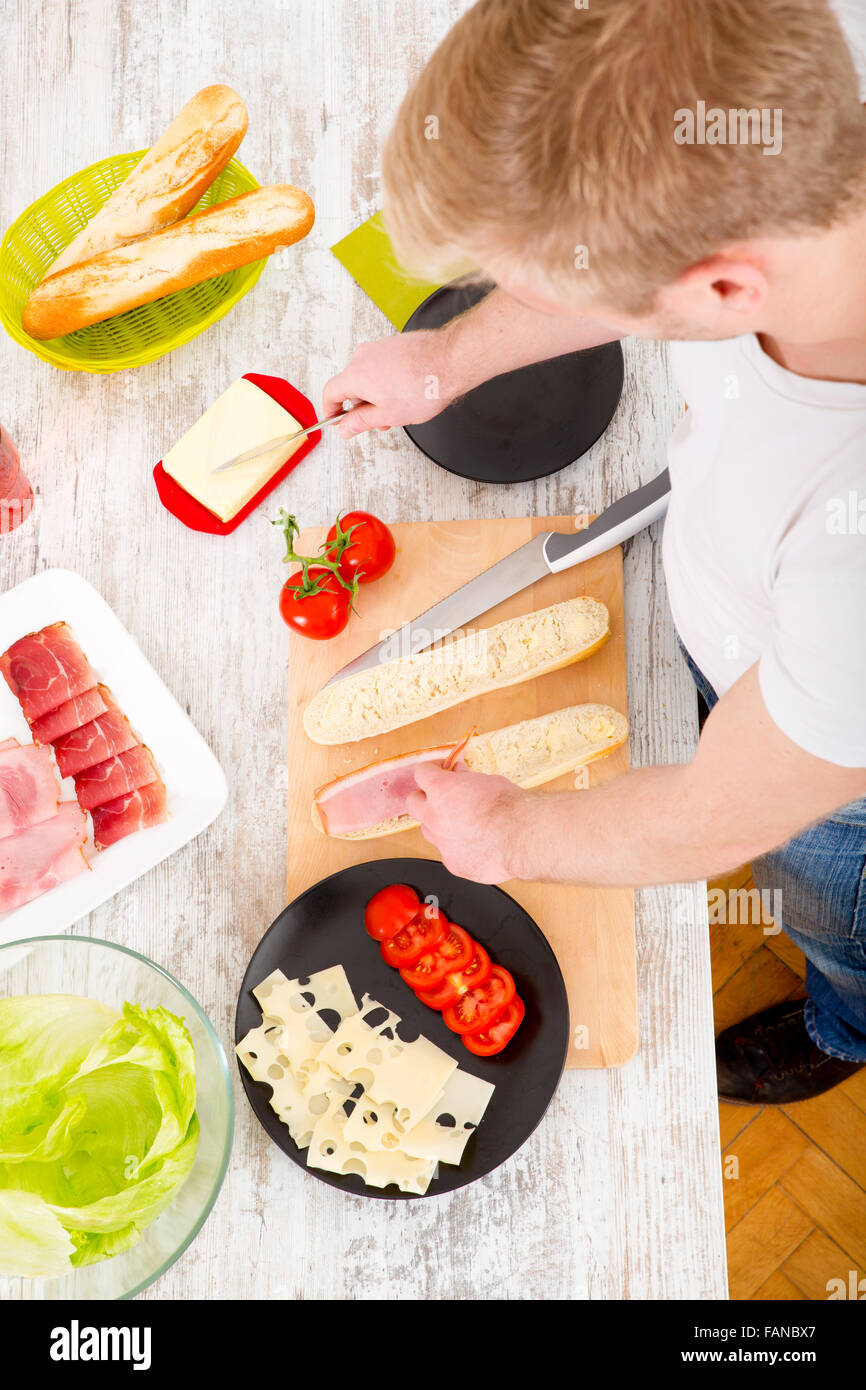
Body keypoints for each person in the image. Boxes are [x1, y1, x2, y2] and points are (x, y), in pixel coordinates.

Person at [322, 0, 866, 1104]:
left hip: (832, 788)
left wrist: (513, 832)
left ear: (722, 288)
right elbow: (623, 269)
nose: (530, 305)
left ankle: (843, 1021)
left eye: (542, 288)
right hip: (760, 633)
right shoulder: (773, 127)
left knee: (827, 902)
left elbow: (723, 808)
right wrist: (445, 360)